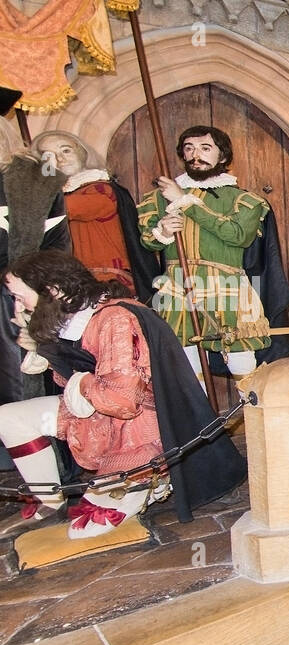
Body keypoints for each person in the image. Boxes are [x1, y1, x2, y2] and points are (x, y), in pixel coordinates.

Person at [0, 251, 246, 538]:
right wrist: (49, 352)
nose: (18, 307)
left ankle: (156, 480)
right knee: (8, 417)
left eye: (20, 297)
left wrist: (80, 382)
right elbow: (72, 379)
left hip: (140, 430)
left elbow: (123, 401)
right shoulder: (73, 319)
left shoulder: (114, 319)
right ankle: (49, 501)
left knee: (83, 530)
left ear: (53, 291)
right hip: (99, 416)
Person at [137, 125, 272, 383]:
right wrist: (162, 231)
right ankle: (201, 423)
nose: (195, 154)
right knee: (187, 367)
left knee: (242, 362)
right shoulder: (158, 198)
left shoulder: (243, 199)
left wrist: (185, 202)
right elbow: (147, 243)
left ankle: (257, 419)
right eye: (189, 148)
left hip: (226, 284)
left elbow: (237, 235)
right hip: (177, 286)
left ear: (222, 156)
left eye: (205, 148)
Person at [33, 130, 160, 300]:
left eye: (66, 150)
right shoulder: (58, 194)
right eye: (49, 156)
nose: (60, 159)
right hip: (72, 282)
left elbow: (68, 208)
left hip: (106, 282)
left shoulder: (100, 188)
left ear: (81, 152)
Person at [1, 115, 71, 408]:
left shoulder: (37, 181)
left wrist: (25, 287)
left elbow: (56, 251)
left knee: (16, 400)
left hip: (11, 304)